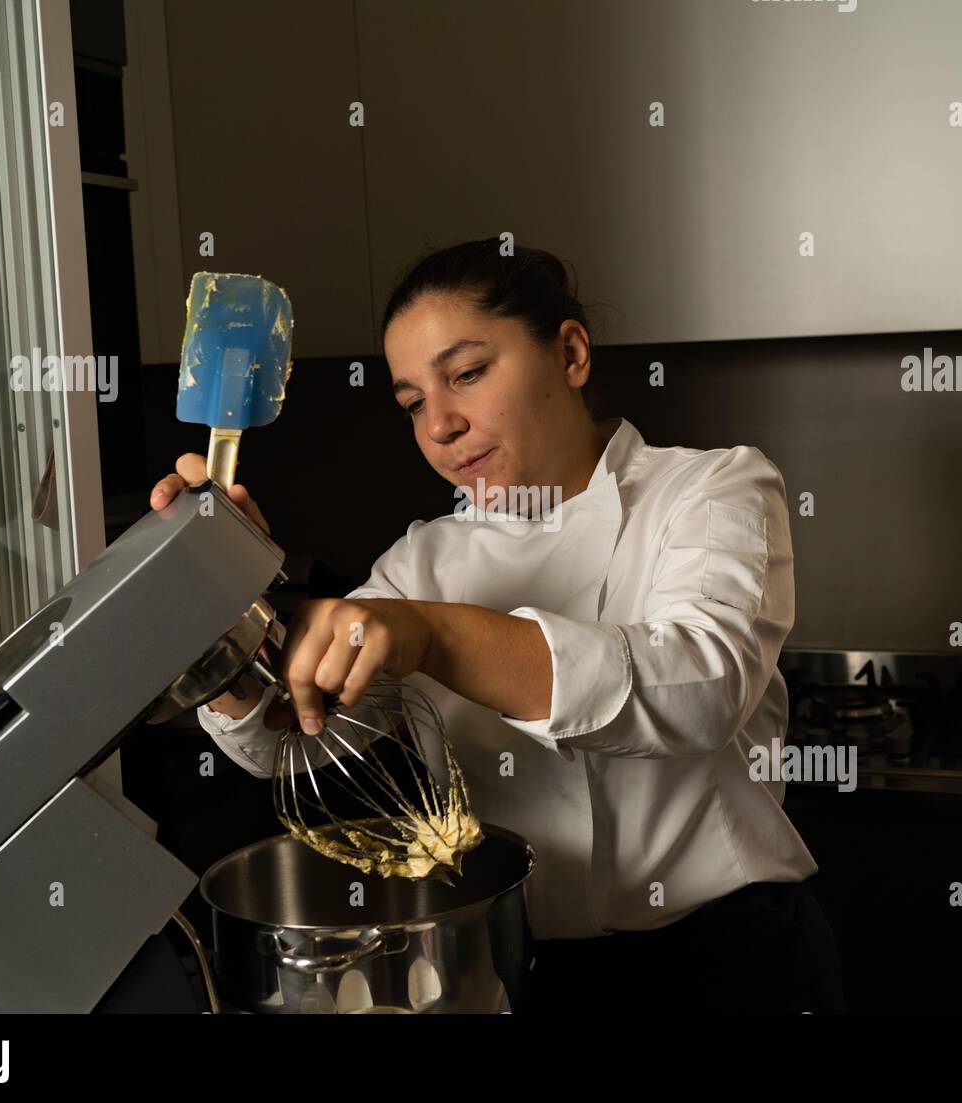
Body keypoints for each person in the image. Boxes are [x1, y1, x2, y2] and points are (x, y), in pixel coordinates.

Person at [149, 238, 844, 1012]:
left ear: (571, 353)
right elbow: (298, 736)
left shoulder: (710, 488)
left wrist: (432, 636)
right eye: (413, 403)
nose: (440, 425)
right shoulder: (423, 560)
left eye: (468, 374)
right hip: (519, 970)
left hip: (731, 961)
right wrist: (228, 617)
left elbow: (701, 688)